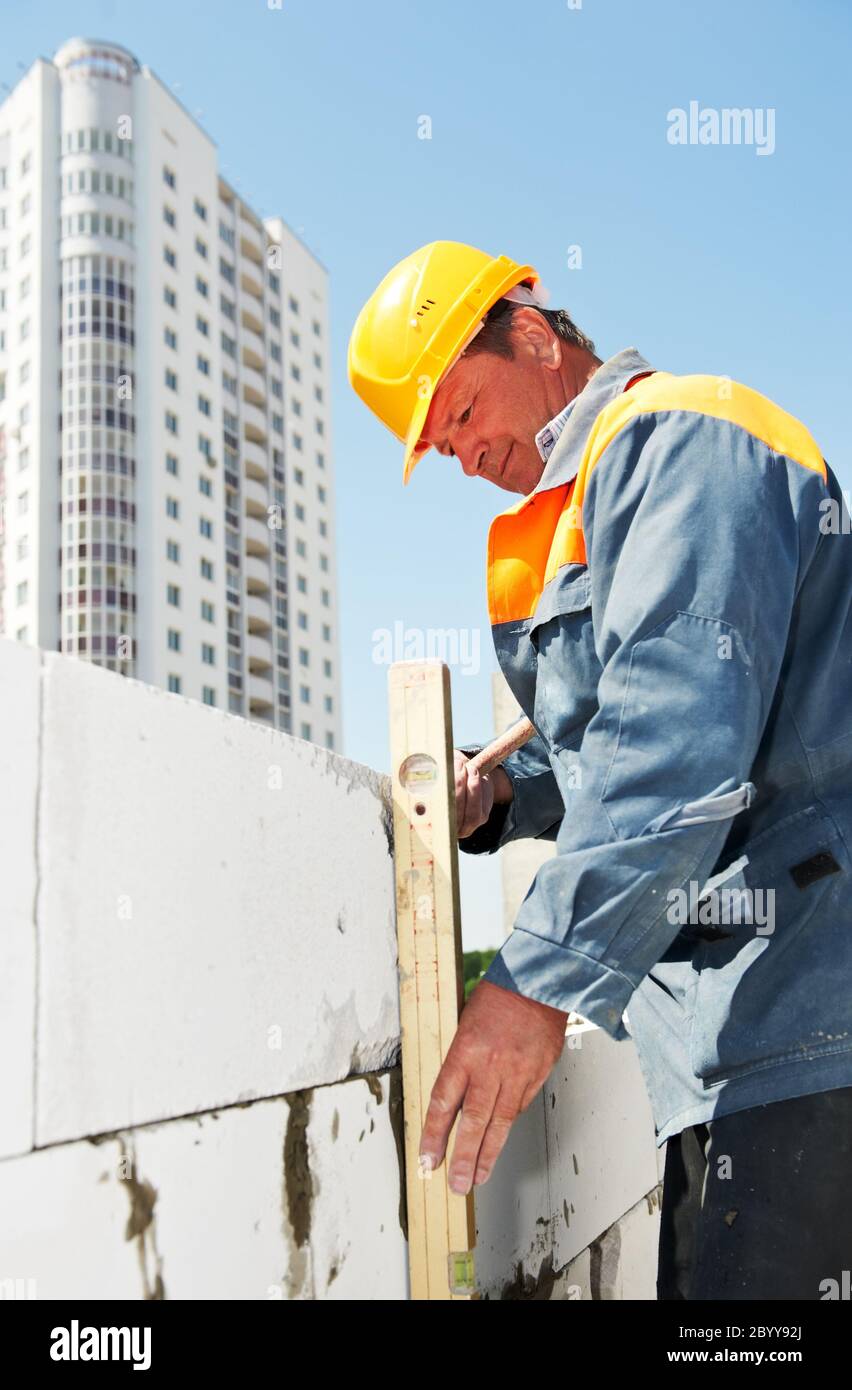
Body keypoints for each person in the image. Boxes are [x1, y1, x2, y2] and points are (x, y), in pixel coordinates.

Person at [348, 240, 852, 1299]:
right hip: (714, 1052)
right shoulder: (568, 515)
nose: (461, 453)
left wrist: (533, 979)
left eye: (462, 412)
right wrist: (493, 804)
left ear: (531, 335)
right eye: (439, 445)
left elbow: (678, 751)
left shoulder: (689, 443)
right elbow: (606, 753)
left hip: (809, 1010)